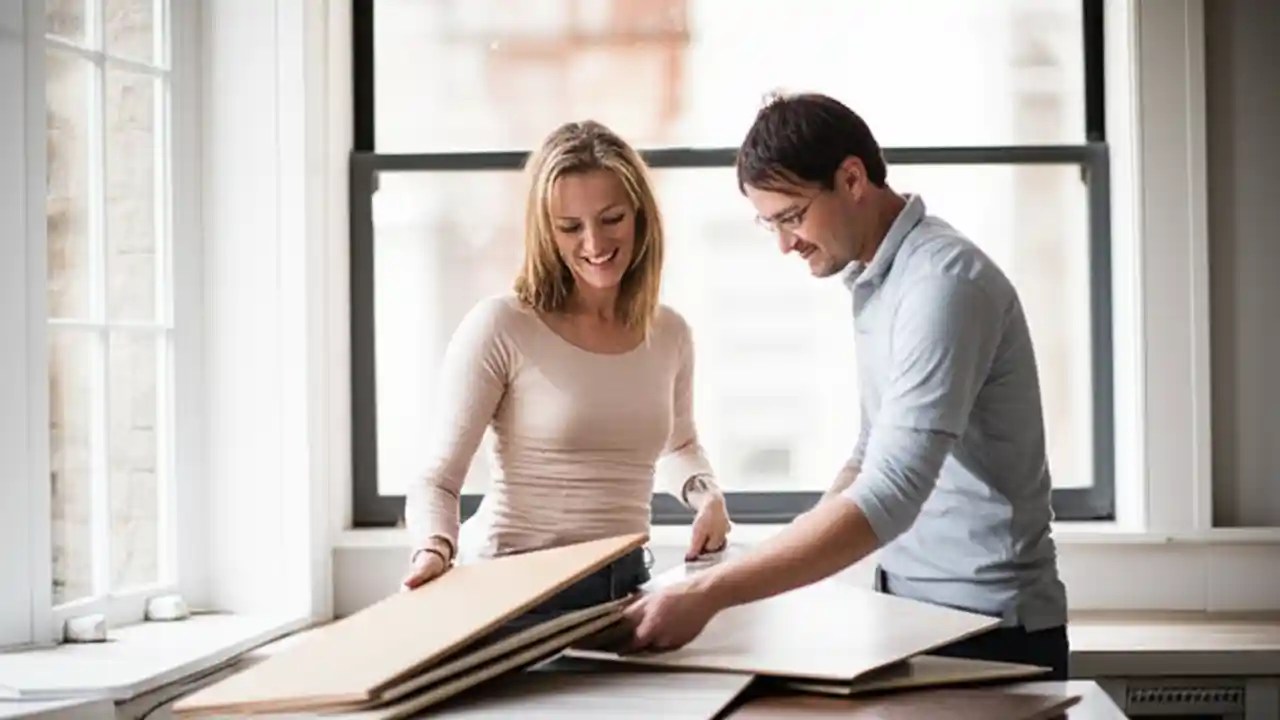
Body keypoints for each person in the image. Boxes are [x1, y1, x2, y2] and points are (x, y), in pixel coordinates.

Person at [621, 92, 1070, 679]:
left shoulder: (943, 285)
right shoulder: (878, 279)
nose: (784, 243)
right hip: (919, 613)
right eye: (770, 224)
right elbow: (868, 458)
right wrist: (757, 567)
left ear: (852, 178)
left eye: (792, 216)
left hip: (991, 630)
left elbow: (889, 492)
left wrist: (715, 594)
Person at [400, 120, 733, 622]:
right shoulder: (501, 326)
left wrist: (706, 496)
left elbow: (679, 447)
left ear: (641, 215)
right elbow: (439, 480)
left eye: (612, 218)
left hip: (624, 591)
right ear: (545, 232)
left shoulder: (669, 334)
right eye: (571, 227)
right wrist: (433, 548)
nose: (595, 242)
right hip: (510, 594)